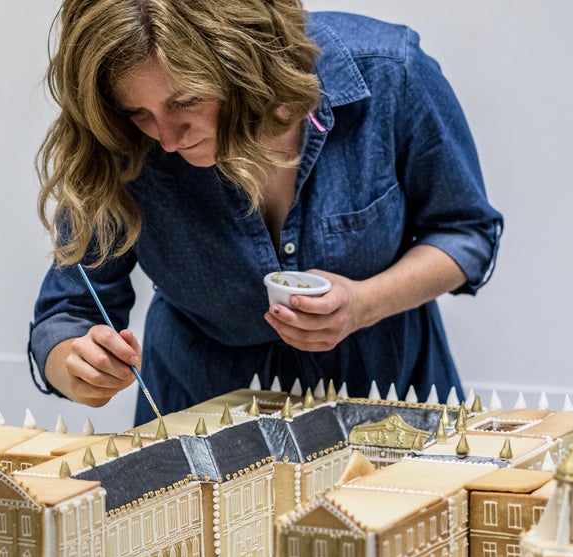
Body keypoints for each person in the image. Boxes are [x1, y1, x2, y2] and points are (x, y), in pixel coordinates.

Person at [28, 0, 503, 424]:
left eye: (188, 101)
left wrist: (363, 304)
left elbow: (466, 233)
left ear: (249, 62)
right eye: (140, 113)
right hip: (199, 421)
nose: (168, 140)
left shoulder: (389, 73)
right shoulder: (118, 143)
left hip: (391, 408)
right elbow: (67, 314)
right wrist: (75, 364)